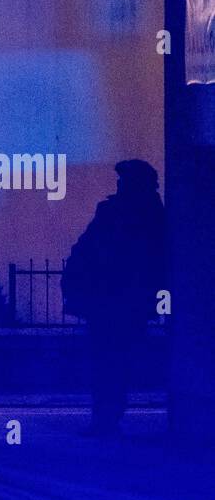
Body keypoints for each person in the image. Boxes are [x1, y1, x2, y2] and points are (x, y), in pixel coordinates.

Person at [62, 159, 167, 435]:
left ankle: (106, 417)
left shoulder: (125, 213)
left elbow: (92, 249)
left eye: (124, 180)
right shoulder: (147, 213)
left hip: (113, 299)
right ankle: (107, 416)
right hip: (117, 300)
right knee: (112, 360)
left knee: (108, 360)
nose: (119, 184)